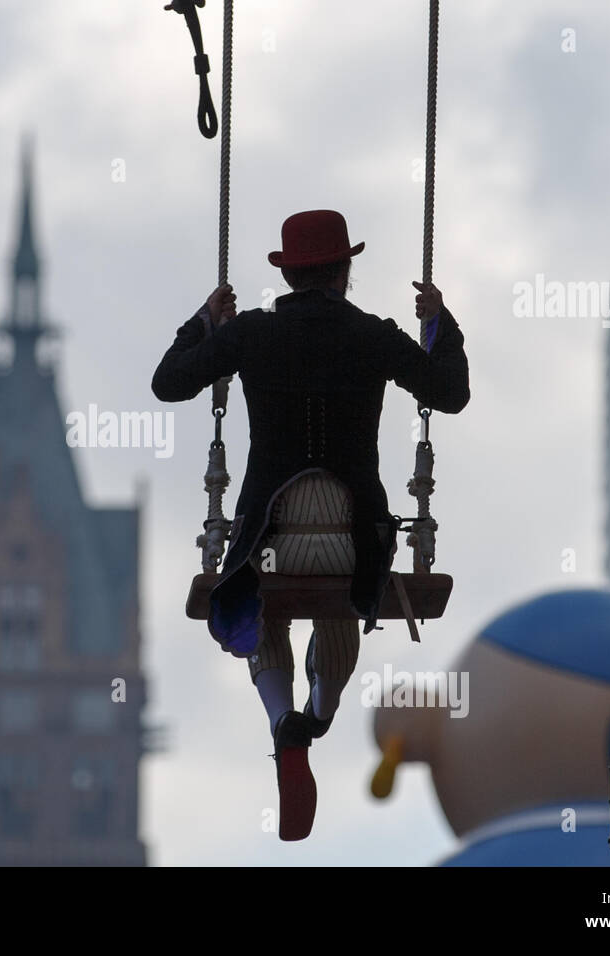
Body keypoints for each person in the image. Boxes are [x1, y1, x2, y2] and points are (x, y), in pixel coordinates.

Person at [151, 209, 470, 841]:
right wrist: (439, 323)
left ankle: (282, 723)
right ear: (344, 271)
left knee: (266, 602)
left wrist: (202, 324)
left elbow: (168, 384)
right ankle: (317, 719)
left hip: (265, 541)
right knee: (338, 607)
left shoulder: (250, 334)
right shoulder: (375, 335)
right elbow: (449, 392)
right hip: (355, 543)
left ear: (290, 274)